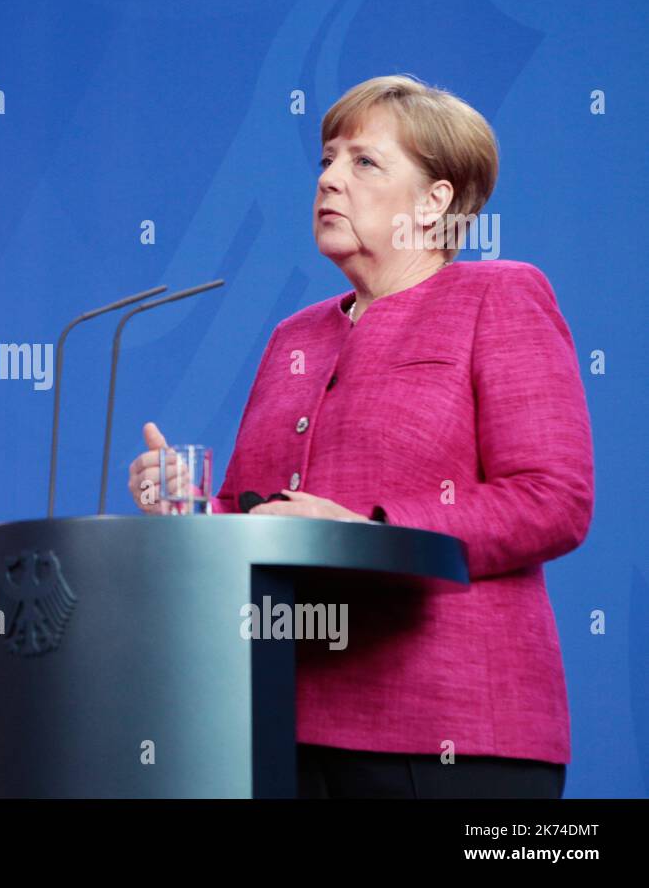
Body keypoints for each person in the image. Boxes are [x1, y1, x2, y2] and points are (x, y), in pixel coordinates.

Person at [127, 75, 594, 798]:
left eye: (363, 163)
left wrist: (366, 531)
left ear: (436, 199)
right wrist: (195, 513)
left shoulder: (499, 296)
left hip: (454, 726)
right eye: (326, 162)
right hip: (279, 725)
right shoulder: (296, 334)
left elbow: (552, 499)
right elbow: (275, 520)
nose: (329, 181)